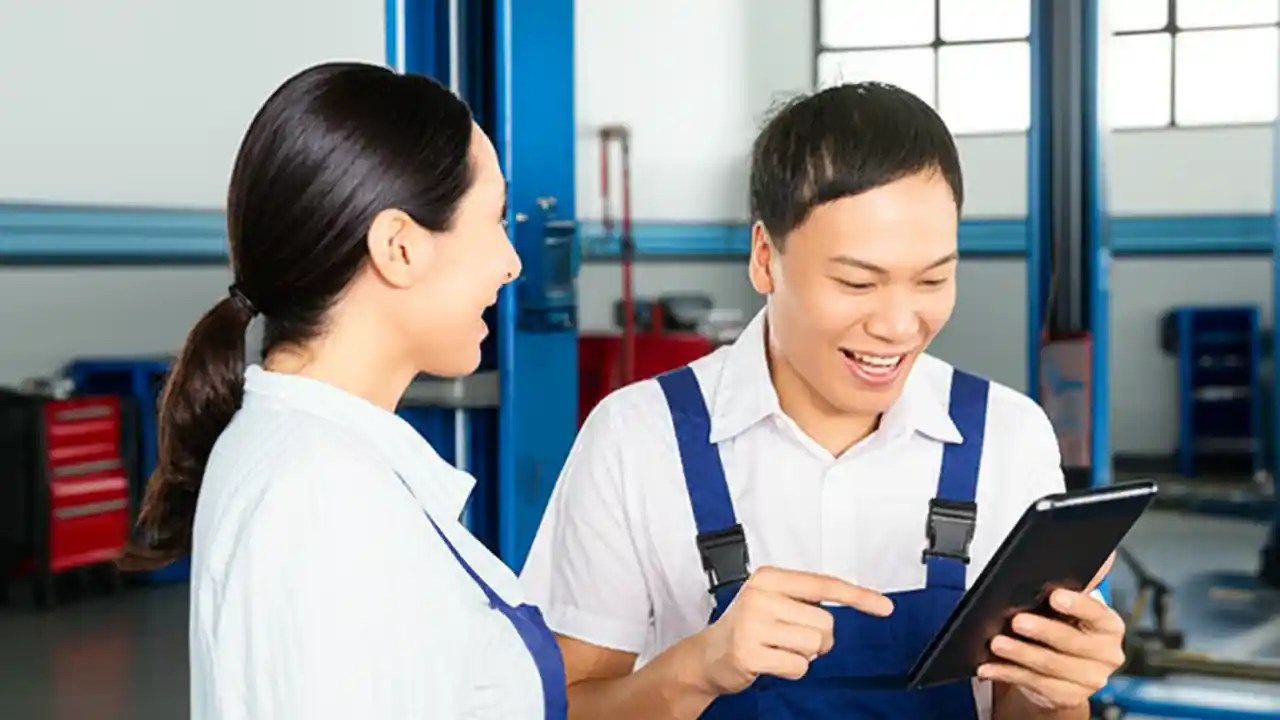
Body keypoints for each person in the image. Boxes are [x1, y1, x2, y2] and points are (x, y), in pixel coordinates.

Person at [520, 82, 1126, 719]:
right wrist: (698, 669)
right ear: (764, 259)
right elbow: (564, 707)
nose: (898, 325)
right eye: (856, 282)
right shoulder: (637, 438)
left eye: (934, 279)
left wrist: (1055, 693)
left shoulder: (1008, 437)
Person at [118, 61, 564, 720]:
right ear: (399, 248)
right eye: (496, 220)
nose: (512, 261)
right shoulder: (323, 496)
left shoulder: (304, 454)